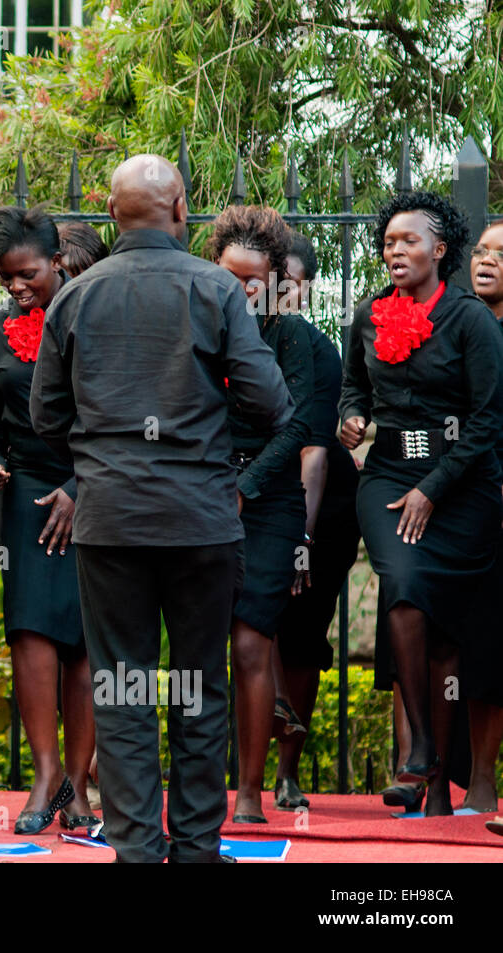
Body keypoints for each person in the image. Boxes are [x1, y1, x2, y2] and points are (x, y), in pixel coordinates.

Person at [31, 154, 294, 863]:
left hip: (112, 516)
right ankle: (198, 847)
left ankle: (138, 848)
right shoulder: (214, 289)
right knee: (201, 685)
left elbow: (46, 415)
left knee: (121, 687)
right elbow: (271, 403)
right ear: (182, 210)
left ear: (112, 215)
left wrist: (104, 449)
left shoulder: (74, 298)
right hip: (200, 517)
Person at [339, 191, 503, 817]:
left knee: (446, 640)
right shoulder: (367, 315)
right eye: (388, 242)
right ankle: (423, 748)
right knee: (403, 588)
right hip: (387, 480)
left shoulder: (471, 321)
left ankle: (435, 786)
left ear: (440, 250)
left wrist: (434, 489)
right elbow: (354, 387)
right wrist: (352, 417)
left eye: (409, 241)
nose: (395, 250)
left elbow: (488, 422)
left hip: (461, 488)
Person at [0, 206, 102, 834]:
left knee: (83, 645)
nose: (17, 288)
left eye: (27, 275)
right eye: (6, 279)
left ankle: (76, 789)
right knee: (29, 632)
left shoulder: (96, 319)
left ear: (55, 263)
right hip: (24, 494)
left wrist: (80, 487)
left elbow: (118, 418)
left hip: (95, 492)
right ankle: (45, 774)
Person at [208, 205, 314, 823]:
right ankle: (201, 788)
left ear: (275, 277)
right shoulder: (199, 317)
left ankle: (249, 790)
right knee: (200, 644)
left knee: (251, 641)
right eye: (230, 275)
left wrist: (246, 484)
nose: (241, 289)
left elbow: (297, 423)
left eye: (253, 279)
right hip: (202, 489)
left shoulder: (293, 338)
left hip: (268, 498)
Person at [270, 230, 360, 811]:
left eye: (295, 287)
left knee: (304, 635)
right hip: (245, 497)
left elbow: (315, 453)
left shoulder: (319, 352)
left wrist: (299, 538)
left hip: (318, 504)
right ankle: (250, 767)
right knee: (252, 621)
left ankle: (286, 772)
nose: (283, 297)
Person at [463, 221, 503, 816]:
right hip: (470, 503)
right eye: (481, 250)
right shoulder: (459, 327)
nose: (487, 261)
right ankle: (478, 781)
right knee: (480, 647)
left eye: (502, 254)